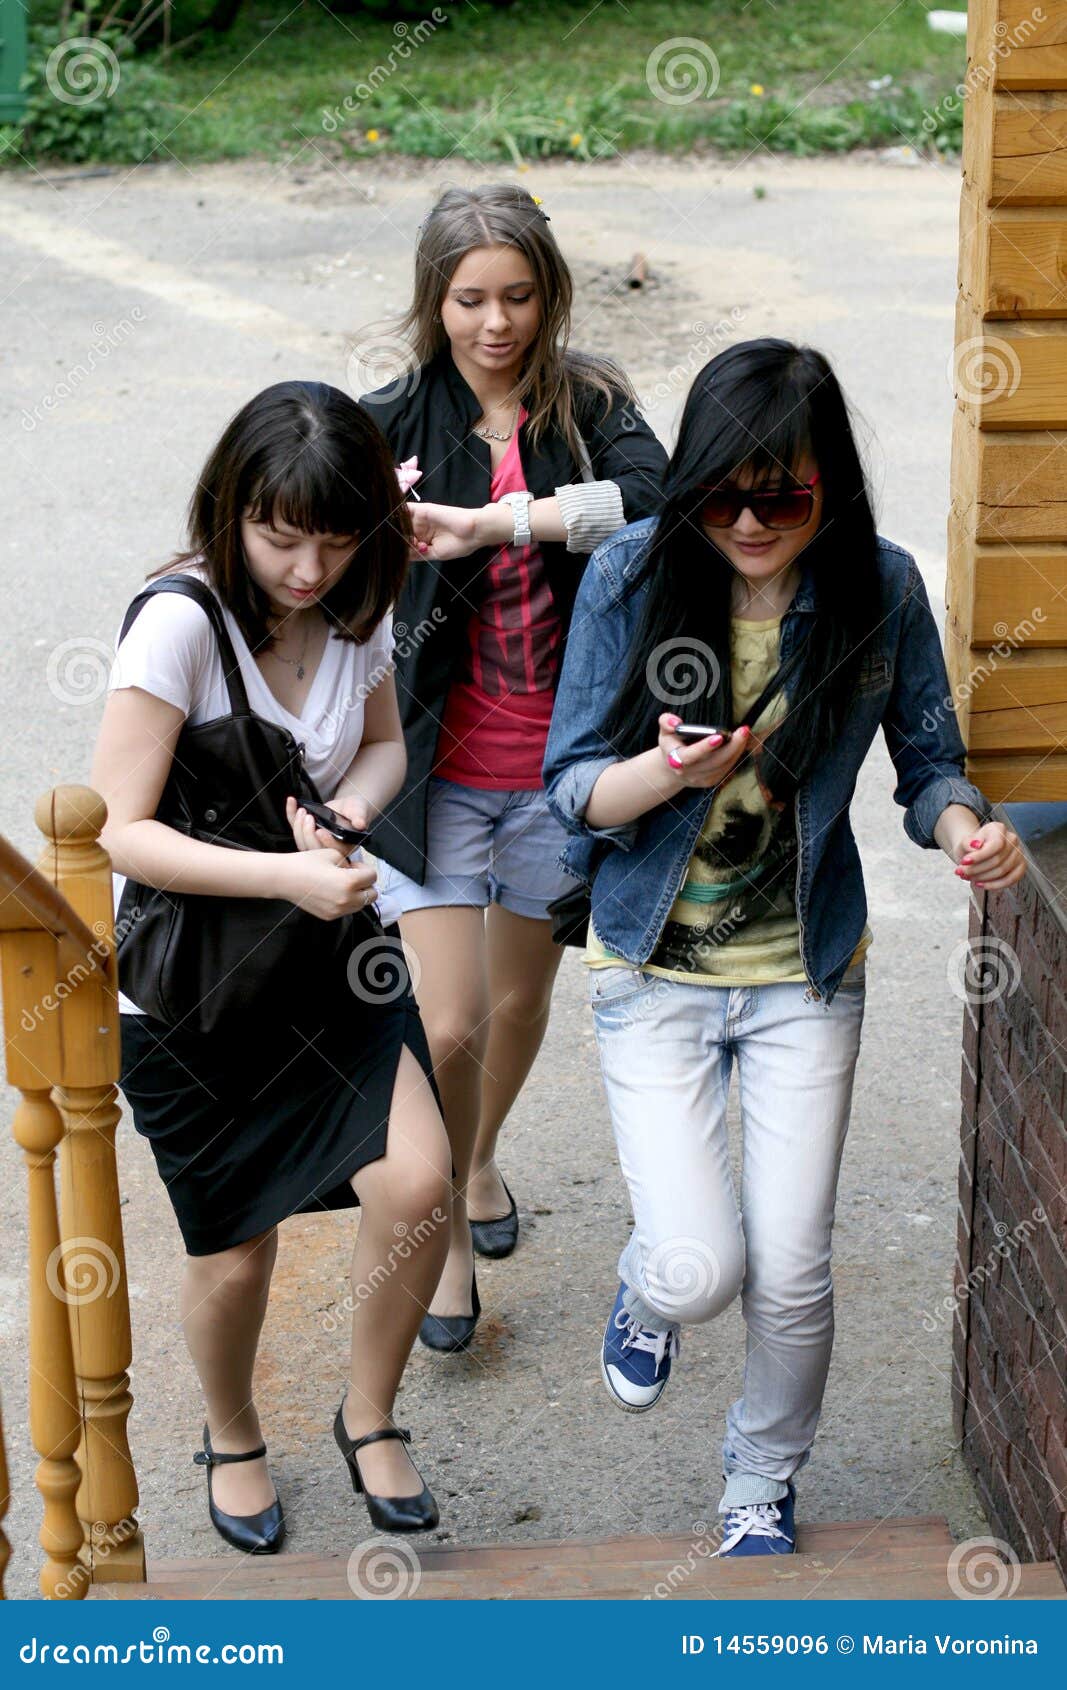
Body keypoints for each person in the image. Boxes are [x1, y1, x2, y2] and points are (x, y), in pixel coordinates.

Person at [542, 338, 1025, 1557]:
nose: (750, 518)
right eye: (724, 490)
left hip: (806, 973)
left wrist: (967, 831)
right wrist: (668, 771)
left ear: (830, 485)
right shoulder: (631, 577)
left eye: (785, 493)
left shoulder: (880, 585)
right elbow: (569, 793)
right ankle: (653, 1281)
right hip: (649, 968)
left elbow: (929, 763)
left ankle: (758, 1479)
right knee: (702, 1266)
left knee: (794, 1265)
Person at [92, 381, 453, 1549]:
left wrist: (340, 811)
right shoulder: (180, 623)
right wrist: (286, 876)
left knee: (417, 1180)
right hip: (193, 982)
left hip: (334, 954)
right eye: (280, 537)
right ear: (231, 510)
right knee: (236, 1252)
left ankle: (368, 1412)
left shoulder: (360, 606)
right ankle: (232, 1429)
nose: (307, 569)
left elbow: (389, 746)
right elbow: (117, 830)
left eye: (337, 539)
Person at [357, 183, 667, 1350]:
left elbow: (655, 503)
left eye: (520, 296)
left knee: (522, 999)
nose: (497, 324)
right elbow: (305, 555)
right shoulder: (387, 421)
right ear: (433, 301)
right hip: (434, 773)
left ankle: (480, 1155)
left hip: (560, 767)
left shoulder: (589, 409)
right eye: (471, 299)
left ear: (550, 293)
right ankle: (435, 1229)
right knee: (444, 1022)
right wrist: (364, 525)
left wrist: (500, 521)